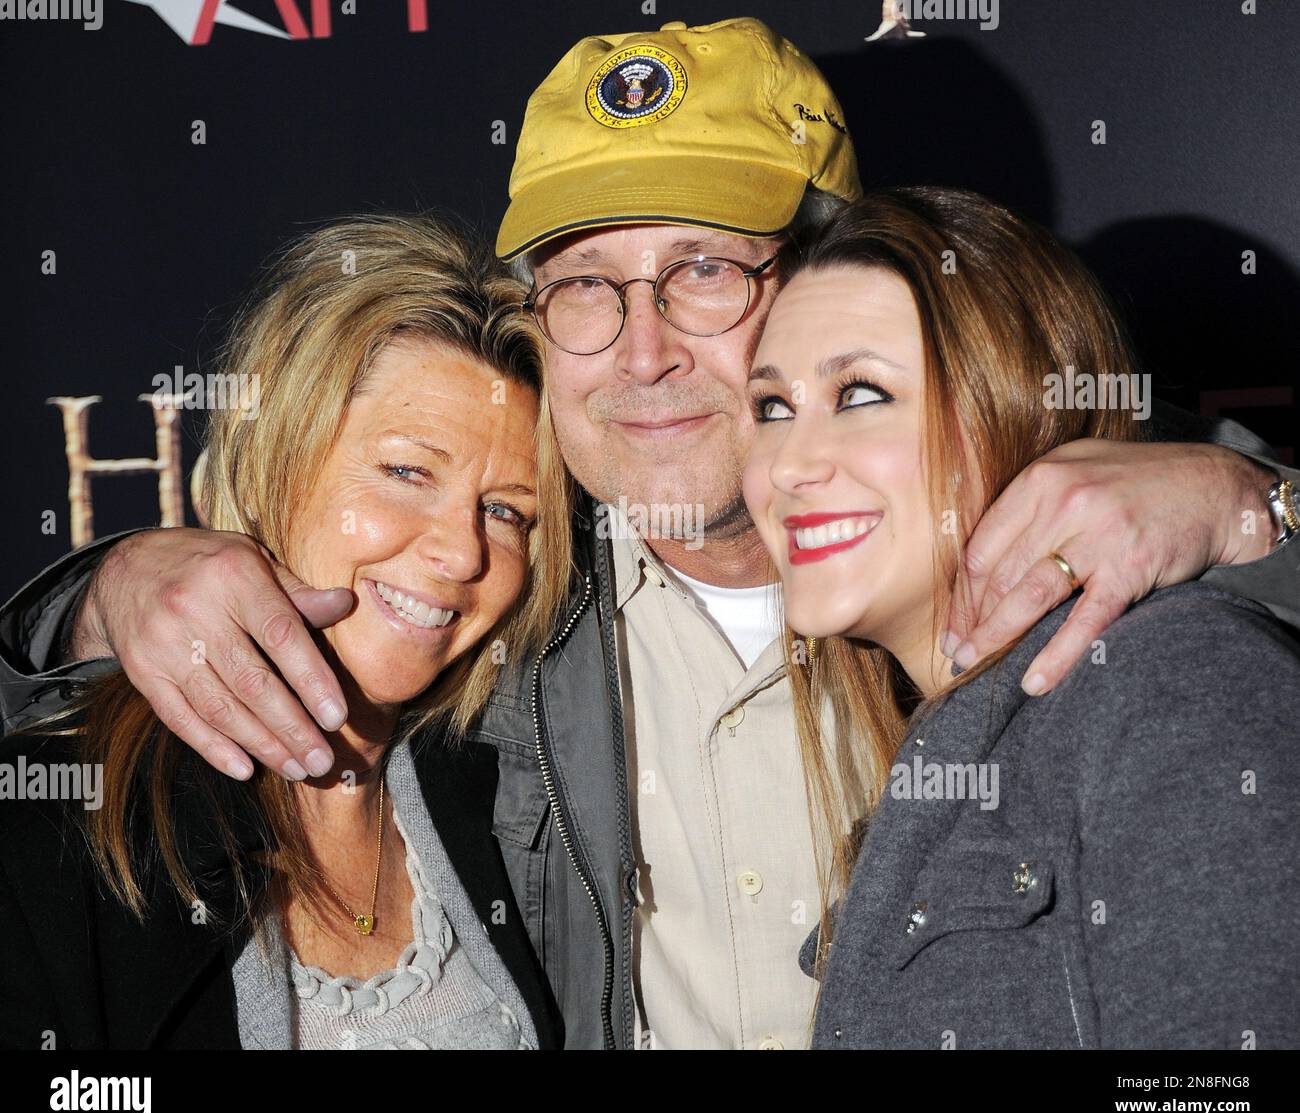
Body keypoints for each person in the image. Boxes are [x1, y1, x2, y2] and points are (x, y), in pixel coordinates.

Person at [3, 18, 1299, 1050]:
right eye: (583, 288)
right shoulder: (505, 590)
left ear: (832, 277)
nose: (641, 352)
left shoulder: (1048, 538)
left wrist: (1266, 511)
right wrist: (106, 591)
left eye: (704, 271)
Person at [742, 186, 1300, 1048]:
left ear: (1020, 408)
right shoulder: (946, 744)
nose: (788, 467)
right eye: (772, 409)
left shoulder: (1169, 680)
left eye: (858, 394)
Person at [0, 215, 572, 1049]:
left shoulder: (511, 802)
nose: (460, 551)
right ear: (271, 463)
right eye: (407, 471)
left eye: (505, 511)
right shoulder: (54, 838)